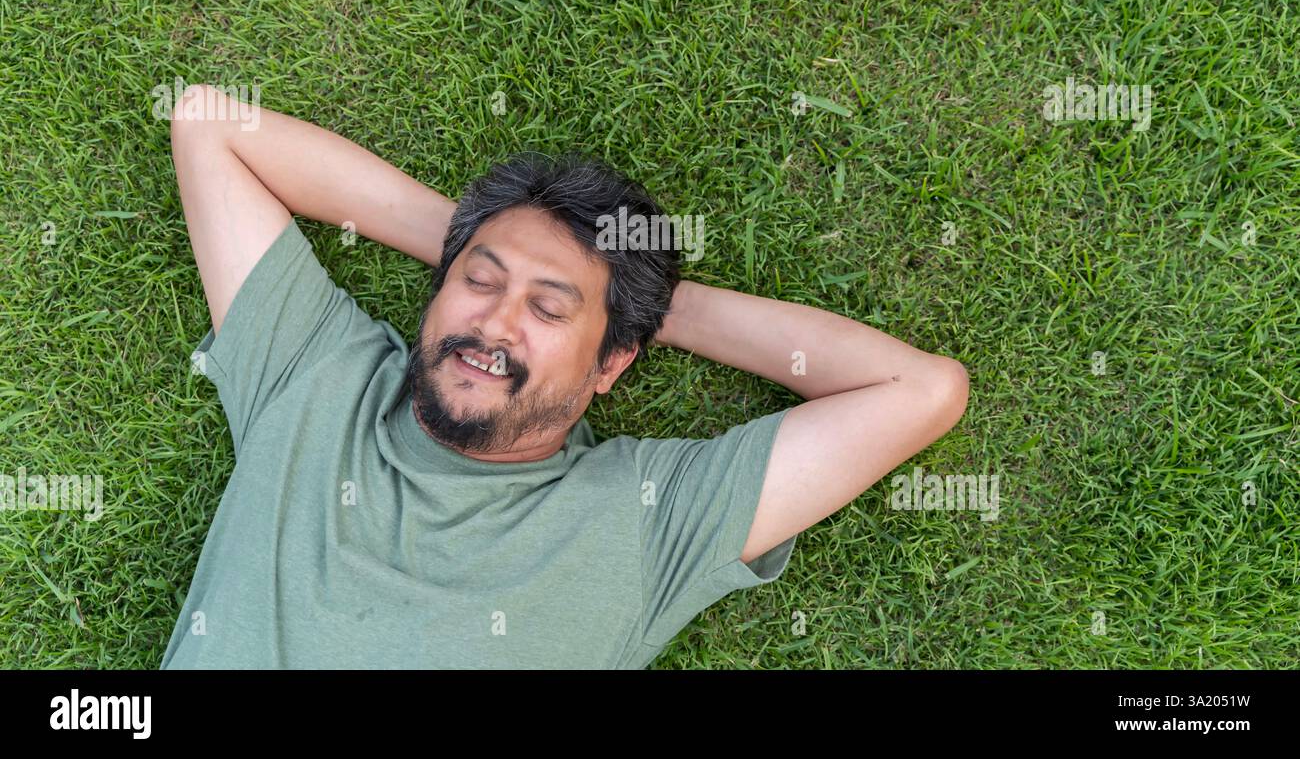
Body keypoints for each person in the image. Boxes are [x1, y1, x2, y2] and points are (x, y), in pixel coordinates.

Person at [162, 83, 969, 668]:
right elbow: (210, 125)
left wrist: (640, 306)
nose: (496, 322)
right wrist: (488, 244)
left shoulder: (648, 520)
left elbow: (920, 392)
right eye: (479, 284)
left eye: (549, 312)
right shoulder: (315, 373)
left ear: (611, 364)